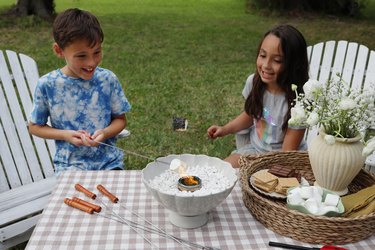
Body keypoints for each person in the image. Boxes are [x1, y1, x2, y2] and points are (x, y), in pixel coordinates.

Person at [29, 8, 131, 173]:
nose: (91, 62)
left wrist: (104, 133)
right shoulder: (48, 84)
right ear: (59, 51)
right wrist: (65, 135)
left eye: (97, 52)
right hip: (70, 166)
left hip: (109, 163)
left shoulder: (107, 79)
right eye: (82, 56)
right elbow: (34, 127)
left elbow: (120, 120)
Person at [207, 24, 308, 168]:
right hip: (255, 150)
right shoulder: (254, 83)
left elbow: (287, 153)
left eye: (277, 60)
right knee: (222, 170)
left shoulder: (299, 101)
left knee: (258, 184)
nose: (266, 65)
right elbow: (250, 115)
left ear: (293, 64)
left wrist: (260, 169)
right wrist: (225, 129)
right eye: (263, 55)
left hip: (284, 158)